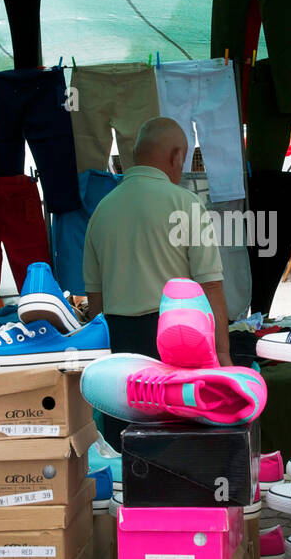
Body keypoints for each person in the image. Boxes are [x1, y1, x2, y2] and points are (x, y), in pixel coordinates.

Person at [83, 117, 231, 449]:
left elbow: (95, 301)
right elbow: (211, 287)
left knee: (127, 444)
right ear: (177, 156)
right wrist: (222, 353)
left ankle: (126, 496)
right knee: (175, 442)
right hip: (176, 340)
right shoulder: (185, 204)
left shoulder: (102, 211)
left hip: (119, 340)